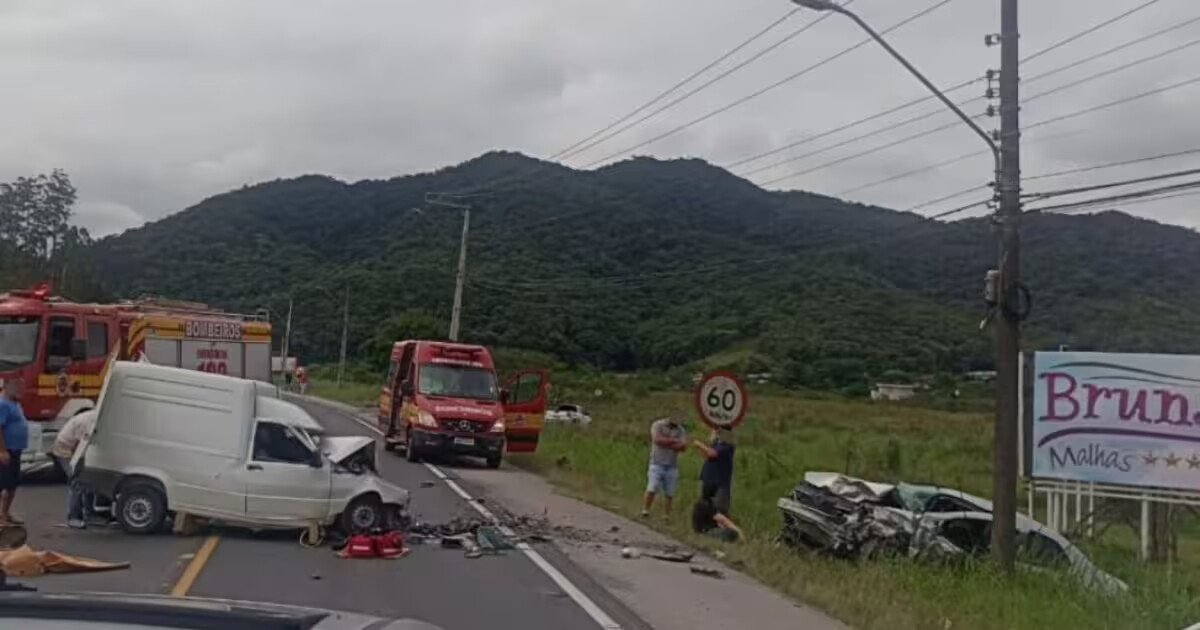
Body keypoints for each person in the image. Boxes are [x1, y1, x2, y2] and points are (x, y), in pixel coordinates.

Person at [49, 409, 97, 529]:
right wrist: (76, 467)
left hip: (74, 447)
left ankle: (90, 512)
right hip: (65, 449)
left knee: (89, 478)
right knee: (77, 482)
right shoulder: (88, 422)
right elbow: (77, 447)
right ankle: (74, 517)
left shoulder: (95, 418)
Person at [642, 416, 687, 518]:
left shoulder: (681, 430)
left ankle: (666, 515)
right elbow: (657, 440)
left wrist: (667, 442)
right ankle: (645, 510)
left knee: (670, 492)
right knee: (652, 487)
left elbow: (683, 446)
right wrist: (675, 441)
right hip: (657, 462)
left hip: (672, 465)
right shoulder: (658, 425)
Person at [0, 378, 29, 526]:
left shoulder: (15, 403)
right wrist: (2, 451)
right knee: (4, 484)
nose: (20, 389)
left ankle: (5, 513)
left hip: (16, 450)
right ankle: (2, 517)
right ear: (6, 386)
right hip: (7, 450)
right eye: (16, 386)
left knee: (12, 484)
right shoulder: (3, 404)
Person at [693, 427, 736, 515]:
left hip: (721, 482)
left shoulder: (728, 445)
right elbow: (707, 454)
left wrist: (699, 445)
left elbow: (712, 454)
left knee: (720, 508)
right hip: (709, 479)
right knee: (705, 506)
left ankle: (721, 526)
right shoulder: (716, 443)